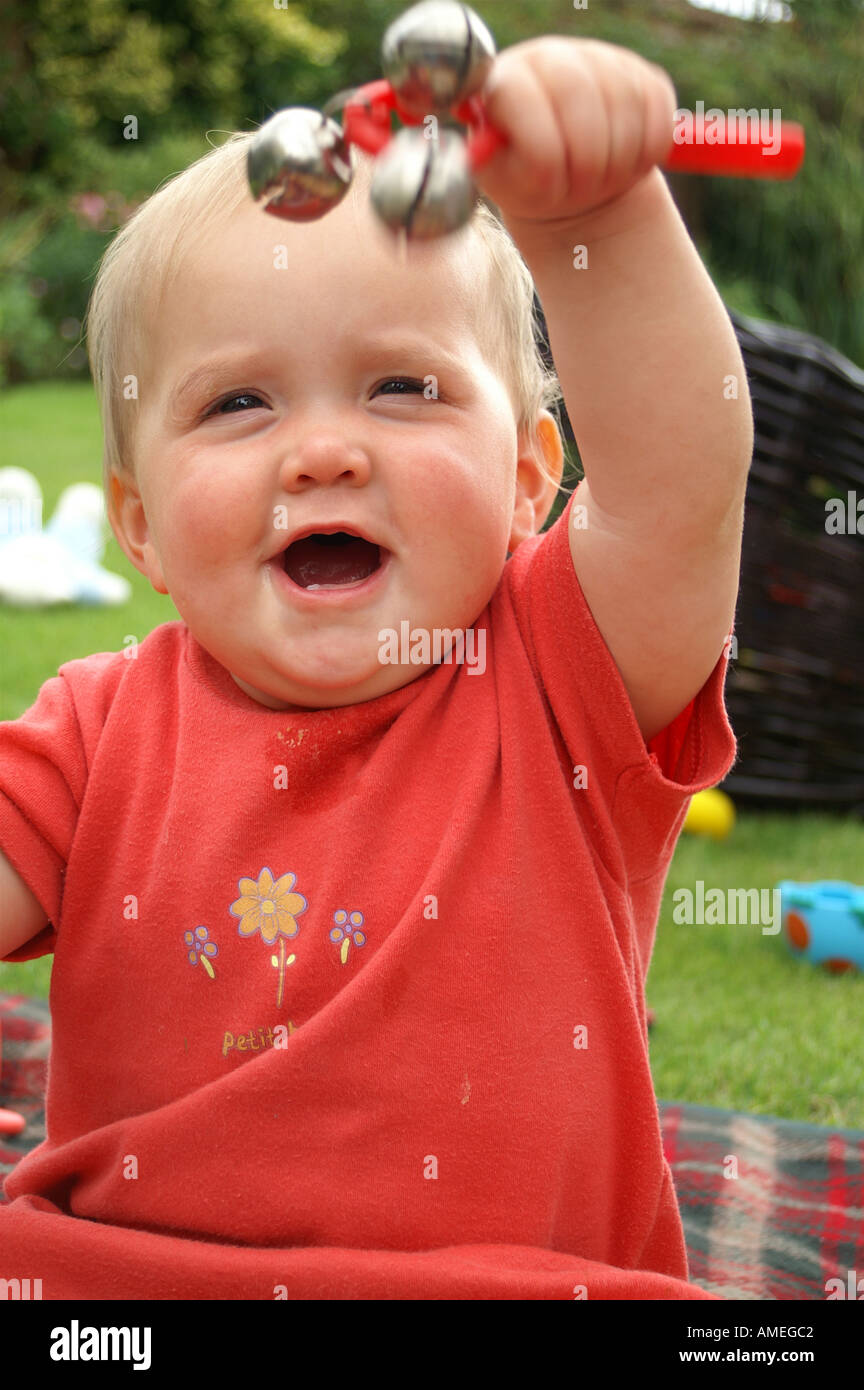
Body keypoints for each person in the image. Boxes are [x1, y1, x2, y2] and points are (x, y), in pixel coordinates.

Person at [0, 36, 751, 1299]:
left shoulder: (564, 675)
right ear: (141, 527)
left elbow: (682, 486)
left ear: (528, 477)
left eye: (403, 387)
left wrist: (597, 222)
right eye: (238, 404)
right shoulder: (94, 729)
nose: (323, 454)